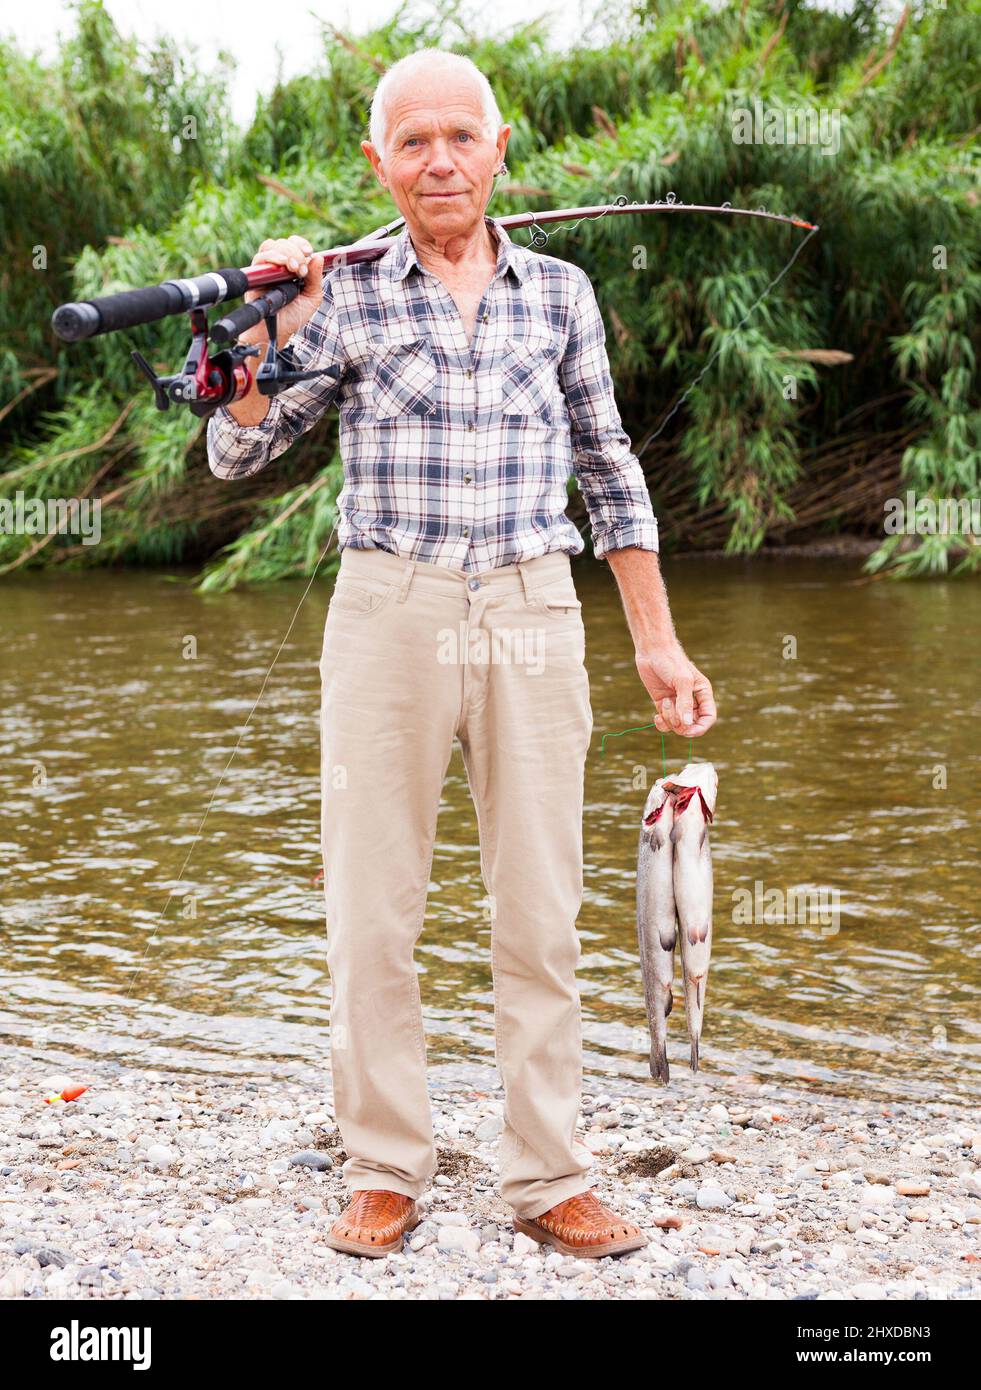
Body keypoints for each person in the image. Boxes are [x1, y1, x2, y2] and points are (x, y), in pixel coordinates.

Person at [207, 47, 716, 1261]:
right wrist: (269, 334)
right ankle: (386, 1162)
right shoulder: (338, 295)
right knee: (373, 907)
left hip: (538, 611)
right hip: (390, 611)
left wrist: (655, 638)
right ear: (377, 161)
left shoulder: (563, 293)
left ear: (500, 149)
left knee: (540, 908)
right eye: (413, 142)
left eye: (461, 137)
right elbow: (238, 453)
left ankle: (550, 1173)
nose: (440, 159)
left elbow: (609, 467)